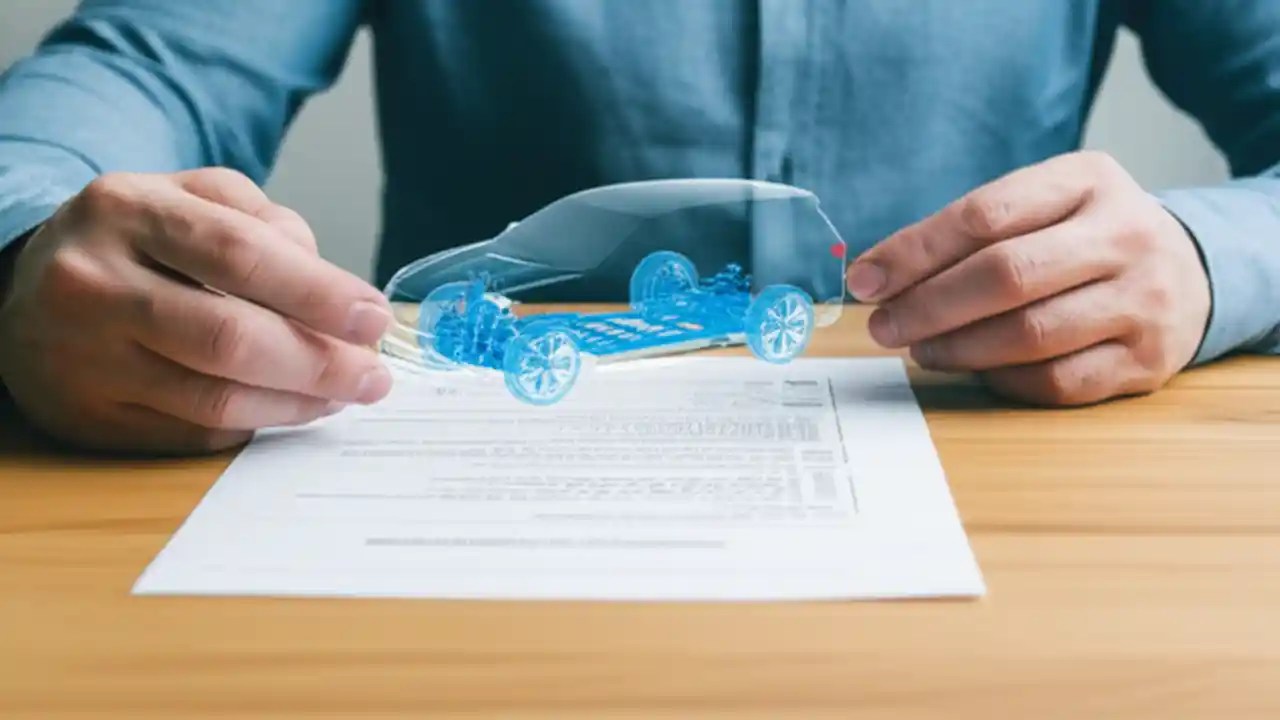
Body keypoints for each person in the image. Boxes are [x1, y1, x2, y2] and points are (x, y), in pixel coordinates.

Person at [0, 1, 1277, 454]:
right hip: (472, 522)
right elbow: (141, 64)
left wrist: (1204, 261)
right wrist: (29, 250)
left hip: (995, 498)